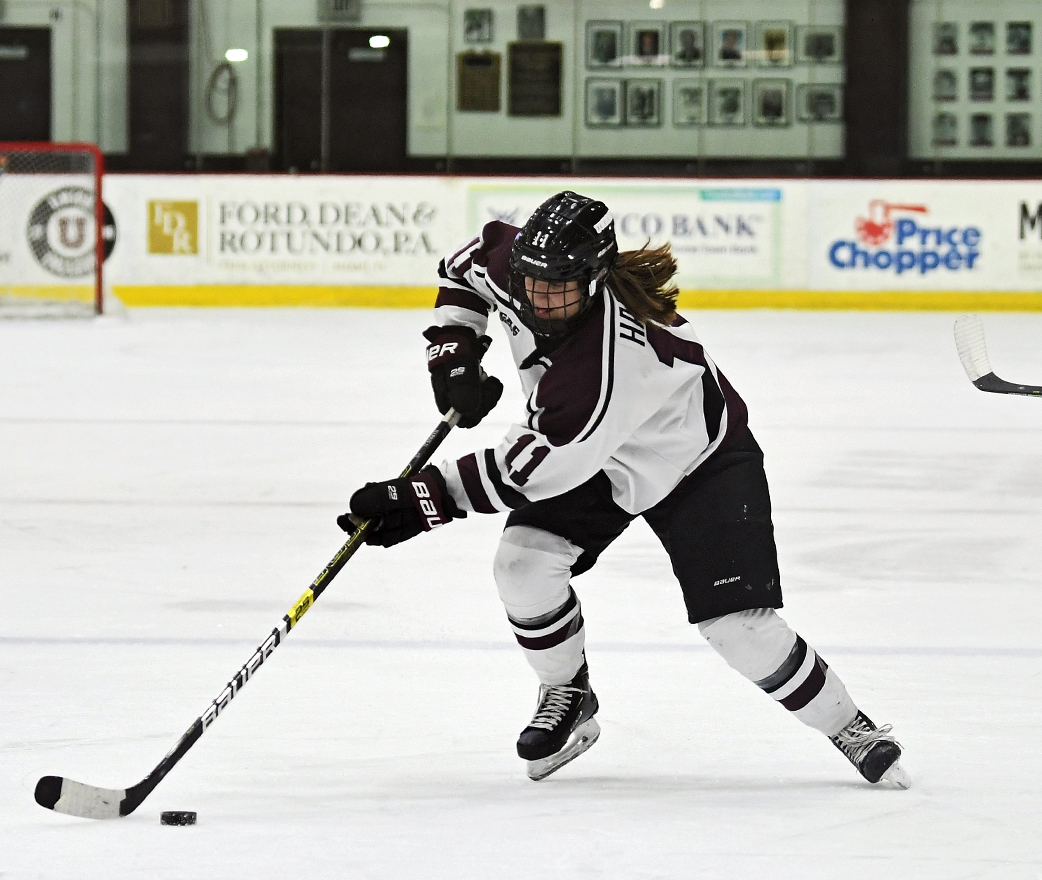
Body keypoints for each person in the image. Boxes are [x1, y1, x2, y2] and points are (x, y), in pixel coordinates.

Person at [337, 191, 909, 786]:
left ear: (594, 278)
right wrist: (454, 358)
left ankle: (849, 725)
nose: (539, 298)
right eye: (532, 282)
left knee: (739, 628)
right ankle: (568, 693)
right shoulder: (522, 268)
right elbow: (462, 272)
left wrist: (422, 499)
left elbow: (530, 470)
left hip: (697, 463)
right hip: (598, 456)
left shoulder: (611, 359)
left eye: (558, 287)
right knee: (523, 565)